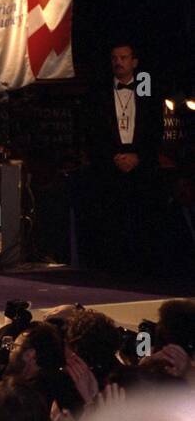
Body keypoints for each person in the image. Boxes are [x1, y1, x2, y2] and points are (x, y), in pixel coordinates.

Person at [84, 41, 164, 272]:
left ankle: (144, 266)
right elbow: (92, 132)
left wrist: (138, 156)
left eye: (124, 57)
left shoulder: (147, 91)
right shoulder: (99, 94)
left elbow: (154, 130)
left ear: (134, 62)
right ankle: (112, 266)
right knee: (111, 217)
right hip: (110, 164)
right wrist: (113, 157)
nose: (118, 62)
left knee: (143, 216)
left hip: (141, 164)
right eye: (115, 58)